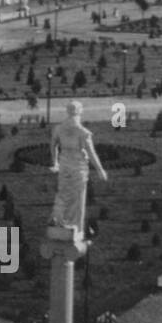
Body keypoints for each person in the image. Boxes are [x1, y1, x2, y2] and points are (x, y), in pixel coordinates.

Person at [49, 101, 108, 236]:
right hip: (78, 169)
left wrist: (55, 162)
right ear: (80, 112)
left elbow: (53, 145)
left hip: (64, 167)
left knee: (63, 194)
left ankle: (60, 221)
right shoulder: (83, 132)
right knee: (78, 199)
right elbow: (91, 153)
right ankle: (75, 228)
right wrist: (100, 170)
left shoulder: (58, 129)